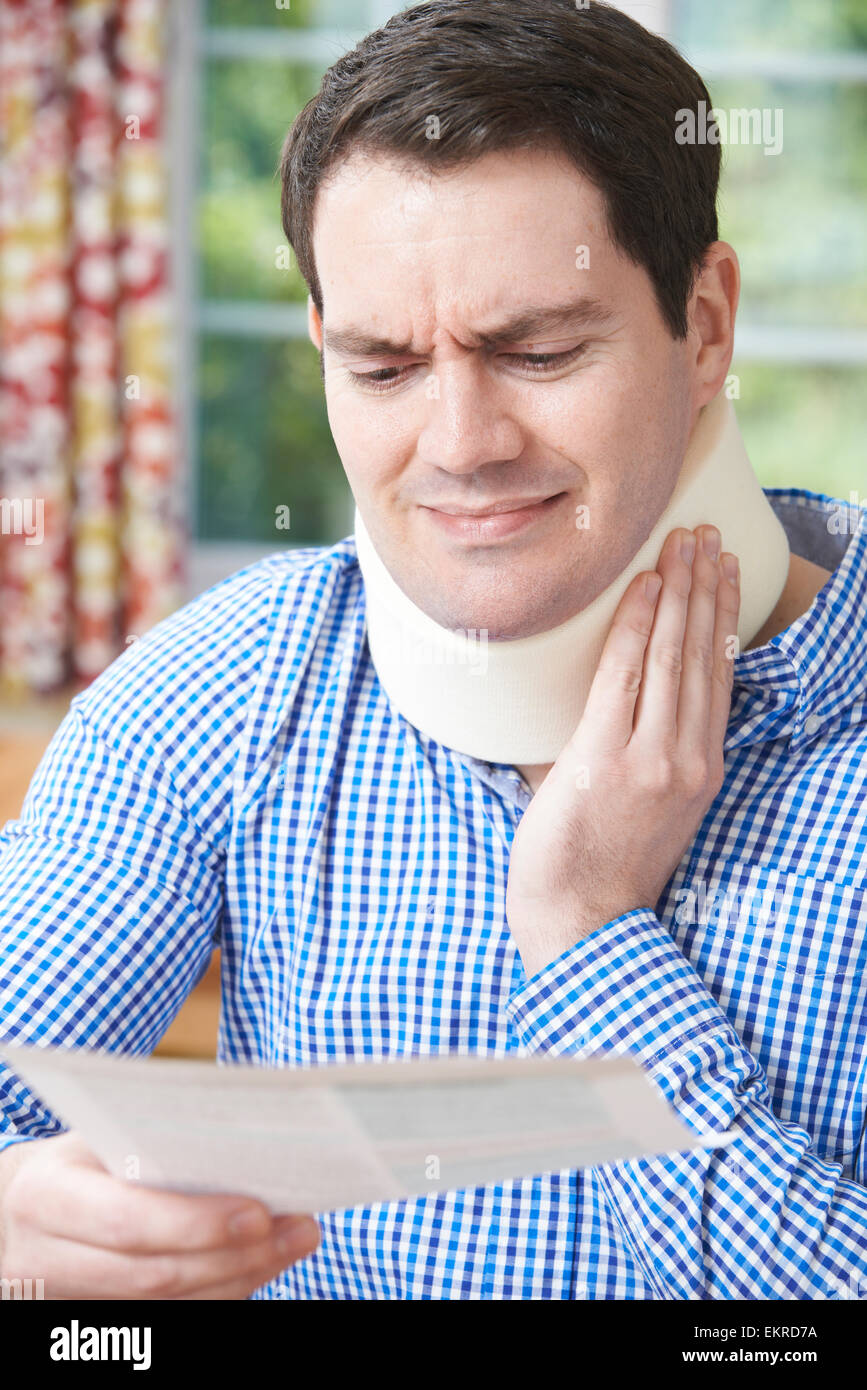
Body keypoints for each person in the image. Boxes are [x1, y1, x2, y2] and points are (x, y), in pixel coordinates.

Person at [1, 0, 865, 1301]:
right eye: (386, 366)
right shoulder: (231, 692)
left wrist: (590, 928)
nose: (460, 444)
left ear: (707, 324)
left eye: (537, 348)